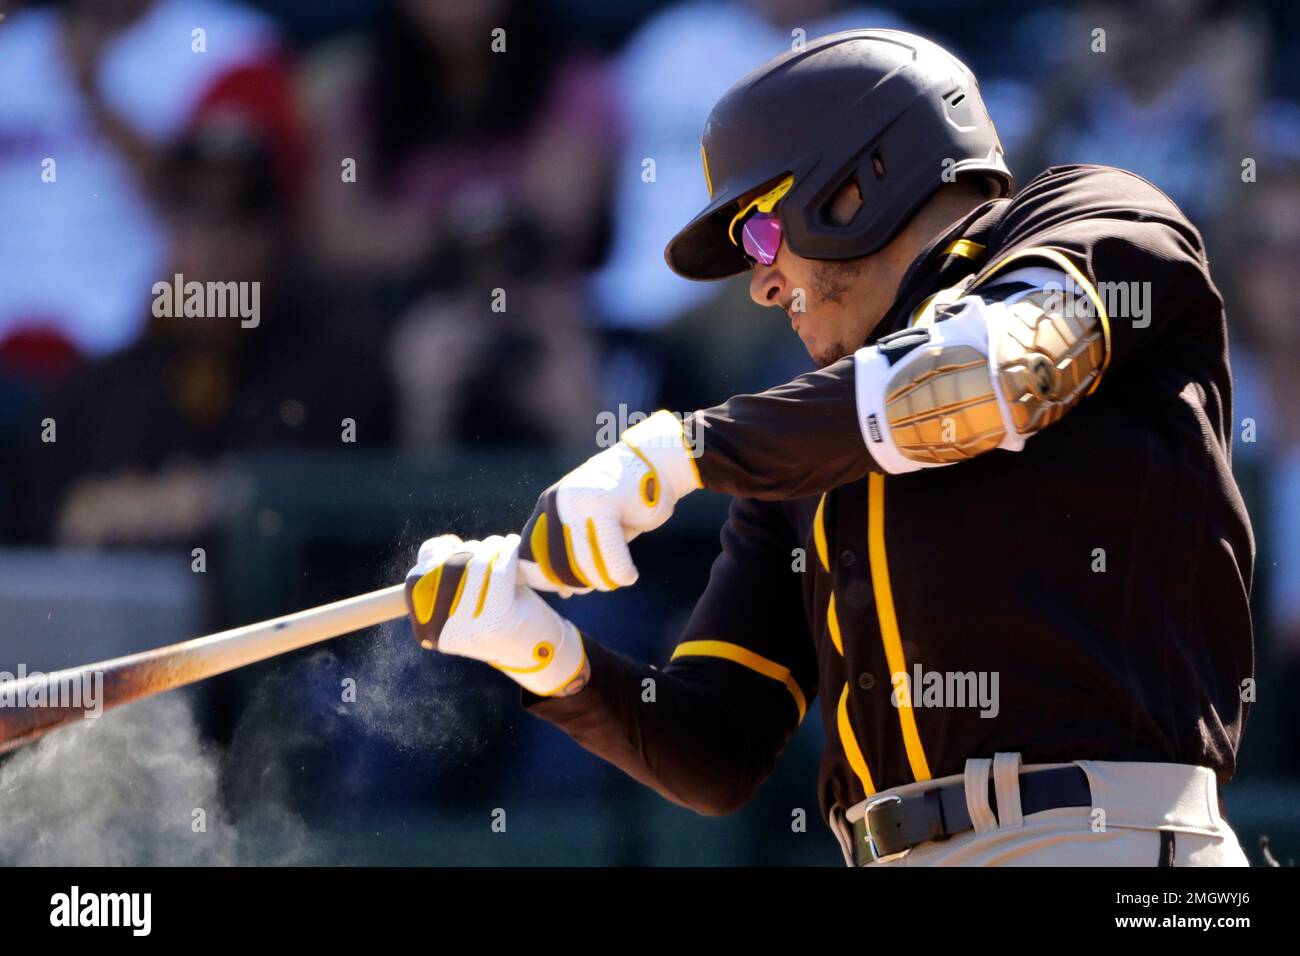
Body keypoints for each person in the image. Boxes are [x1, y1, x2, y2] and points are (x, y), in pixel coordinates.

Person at [403, 29, 1254, 867]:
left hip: (1107, 846)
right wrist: (545, 655)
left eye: (762, 235)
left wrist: (678, 452)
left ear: (860, 184)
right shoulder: (800, 451)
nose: (764, 283)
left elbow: (1001, 374)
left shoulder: (1097, 213)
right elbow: (716, 752)